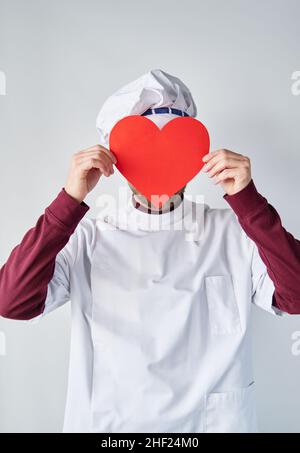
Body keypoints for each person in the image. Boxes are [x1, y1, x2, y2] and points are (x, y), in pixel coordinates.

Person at [0, 69, 300, 433]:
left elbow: (296, 296)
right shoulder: (87, 238)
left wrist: (248, 202)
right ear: (117, 162)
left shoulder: (235, 231)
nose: (160, 166)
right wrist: (69, 200)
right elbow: (11, 302)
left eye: (174, 151)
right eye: (143, 153)